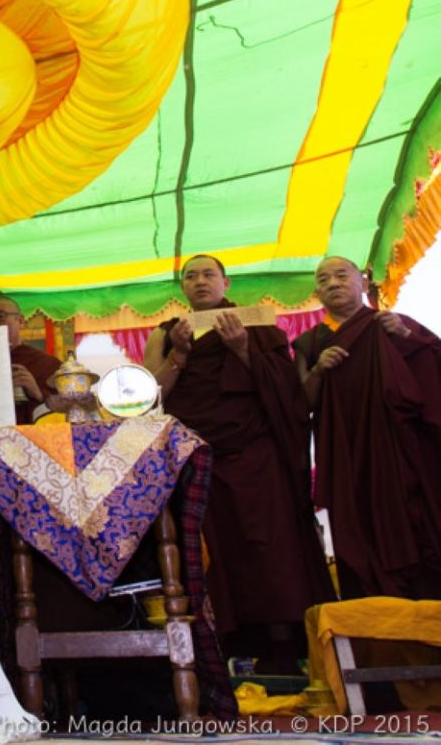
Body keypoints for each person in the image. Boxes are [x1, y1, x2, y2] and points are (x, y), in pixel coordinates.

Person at [142, 255, 331, 670]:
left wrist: (243, 348)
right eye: (190, 277)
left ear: (225, 282)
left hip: (255, 456)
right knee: (215, 552)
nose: (200, 282)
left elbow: (286, 391)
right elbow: (146, 399)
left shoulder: (256, 324)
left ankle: (282, 650)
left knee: (270, 547)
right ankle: (219, 649)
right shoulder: (167, 334)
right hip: (197, 459)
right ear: (183, 289)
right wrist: (179, 356)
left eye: (208, 274)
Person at [293, 256, 441, 600]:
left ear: (361, 282)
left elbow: (433, 375)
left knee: (416, 522)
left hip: (400, 450)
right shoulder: (311, 343)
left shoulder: (392, 323)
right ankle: (375, 635)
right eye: (324, 279)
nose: (333, 283)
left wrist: (406, 338)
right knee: (357, 530)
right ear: (316, 293)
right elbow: (300, 405)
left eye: (341, 275)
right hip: (346, 455)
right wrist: (318, 371)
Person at [0, 296, 61, 423]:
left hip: (30, 437)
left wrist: (38, 393)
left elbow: (64, 411)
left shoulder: (46, 363)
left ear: (21, 321)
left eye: (1, 316)